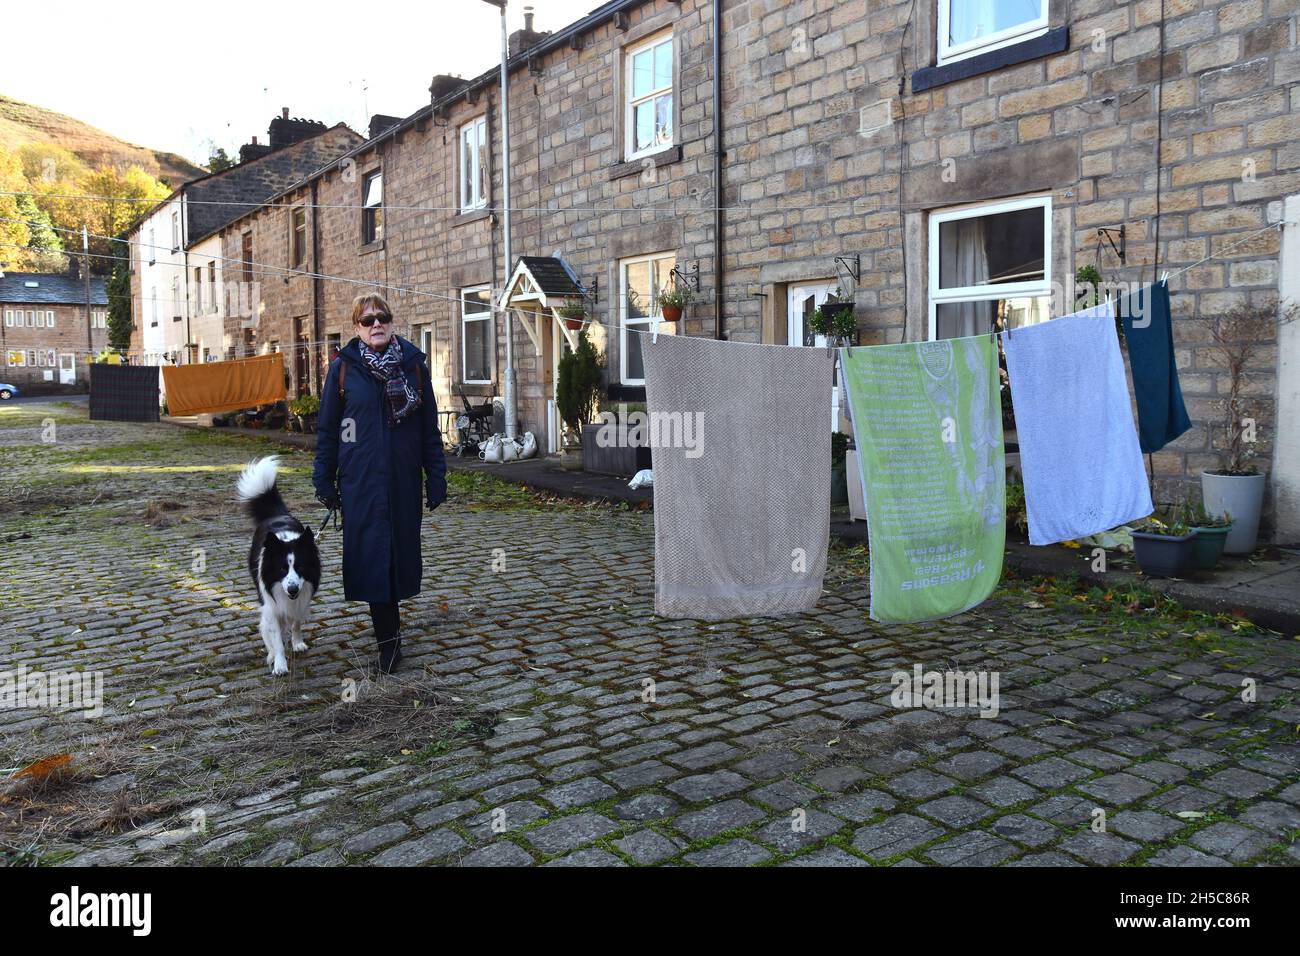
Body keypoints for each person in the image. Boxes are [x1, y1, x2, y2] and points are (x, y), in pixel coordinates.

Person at [313, 292, 447, 673]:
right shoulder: (343, 368)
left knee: (397, 558)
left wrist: (435, 476)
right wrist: (324, 477)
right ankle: (388, 644)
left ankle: (393, 636)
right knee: (373, 560)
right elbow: (328, 430)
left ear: (391, 322)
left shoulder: (414, 366)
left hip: (402, 482)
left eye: (382, 317)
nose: (376, 325)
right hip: (361, 483)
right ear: (356, 327)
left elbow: (428, 429)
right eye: (367, 320)